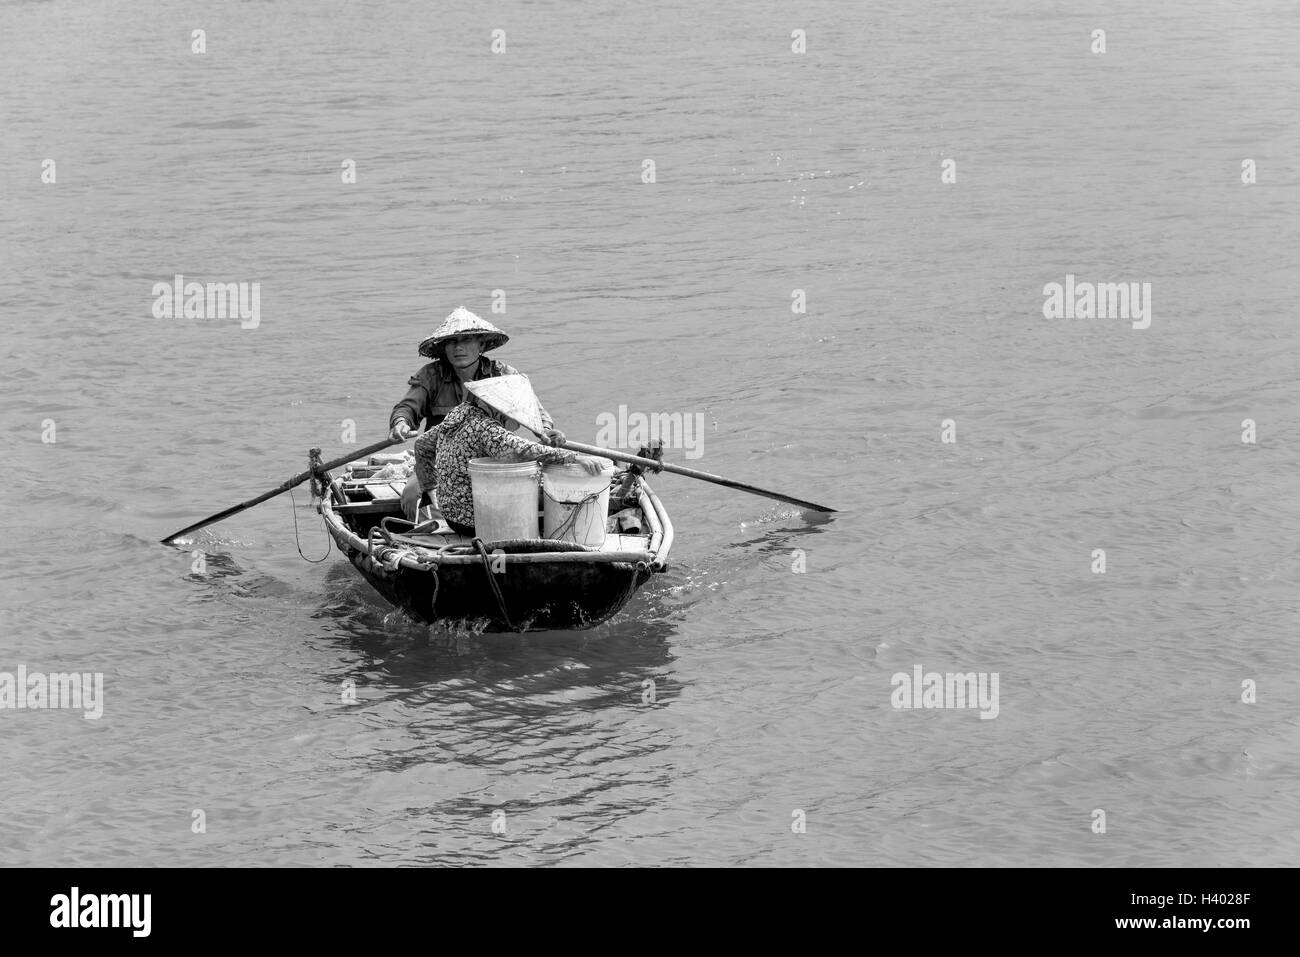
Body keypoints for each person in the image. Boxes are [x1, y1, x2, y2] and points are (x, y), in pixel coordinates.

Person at [388, 307, 566, 520]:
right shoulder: (431, 375)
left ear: (481, 344)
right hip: (442, 461)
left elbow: (535, 412)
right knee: (411, 495)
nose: (459, 348)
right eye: (452, 342)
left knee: (544, 492)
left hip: (494, 460)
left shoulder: (503, 374)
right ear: (444, 348)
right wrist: (400, 424)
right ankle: (429, 540)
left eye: (467, 340)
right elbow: (407, 408)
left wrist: (547, 432)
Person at [413, 376, 606, 537]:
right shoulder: (484, 427)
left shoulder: (457, 415)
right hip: (478, 521)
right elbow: (519, 450)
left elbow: (421, 444)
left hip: (453, 517)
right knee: (553, 496)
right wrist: (574, 458)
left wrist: (431, 487)